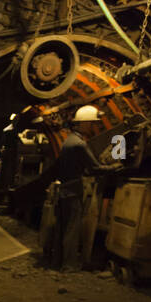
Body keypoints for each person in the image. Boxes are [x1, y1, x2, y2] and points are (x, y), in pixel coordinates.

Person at [47, 105, 101, 270]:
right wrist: (117, 167)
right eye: (92, 123)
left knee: (61, 229)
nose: (93, 127)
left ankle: (57, 262)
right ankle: (69, 265)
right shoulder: (80, 144)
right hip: (73, 191)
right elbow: (95, 168)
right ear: (84, 124)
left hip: (63, 191)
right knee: (72, 228)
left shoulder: (68, 141)